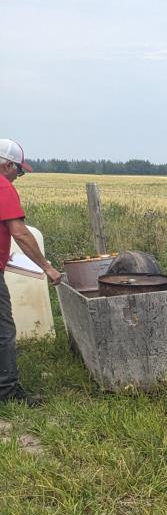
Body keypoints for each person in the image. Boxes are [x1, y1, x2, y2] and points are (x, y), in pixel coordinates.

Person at [0, 138, 61, 407]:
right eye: (19, 170)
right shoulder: (3, 187)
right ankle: (7, 391)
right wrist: (47, 267)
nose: (19, 176)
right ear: (8, 165)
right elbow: (21, 233)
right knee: (3, 330)